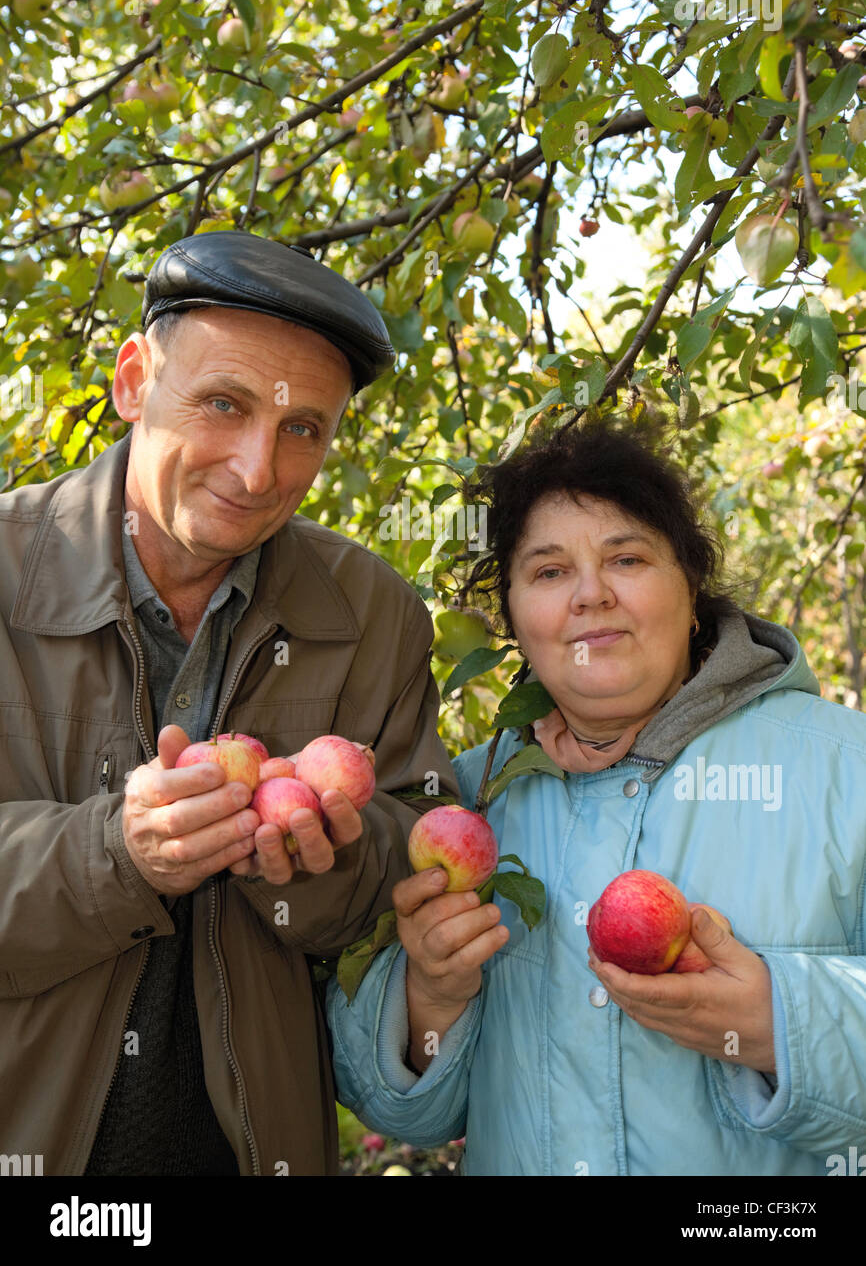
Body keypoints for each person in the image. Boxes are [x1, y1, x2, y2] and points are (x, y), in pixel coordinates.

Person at [0, 229, 459, 1177]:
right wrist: (114, 854)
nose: (257, 472)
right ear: (133, 381)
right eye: (223, 404)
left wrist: (320, 859)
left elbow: (409, 887)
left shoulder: (375, 616)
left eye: (303, 430)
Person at [327, 412, 866, 1176]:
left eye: (628, 559)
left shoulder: (848, 770)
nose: (590, 596)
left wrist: (777, 1023)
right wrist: (431, 999)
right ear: (512, 615)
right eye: (548, 572)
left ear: (691, 584)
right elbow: (396, 1109)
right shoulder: (464, 804)